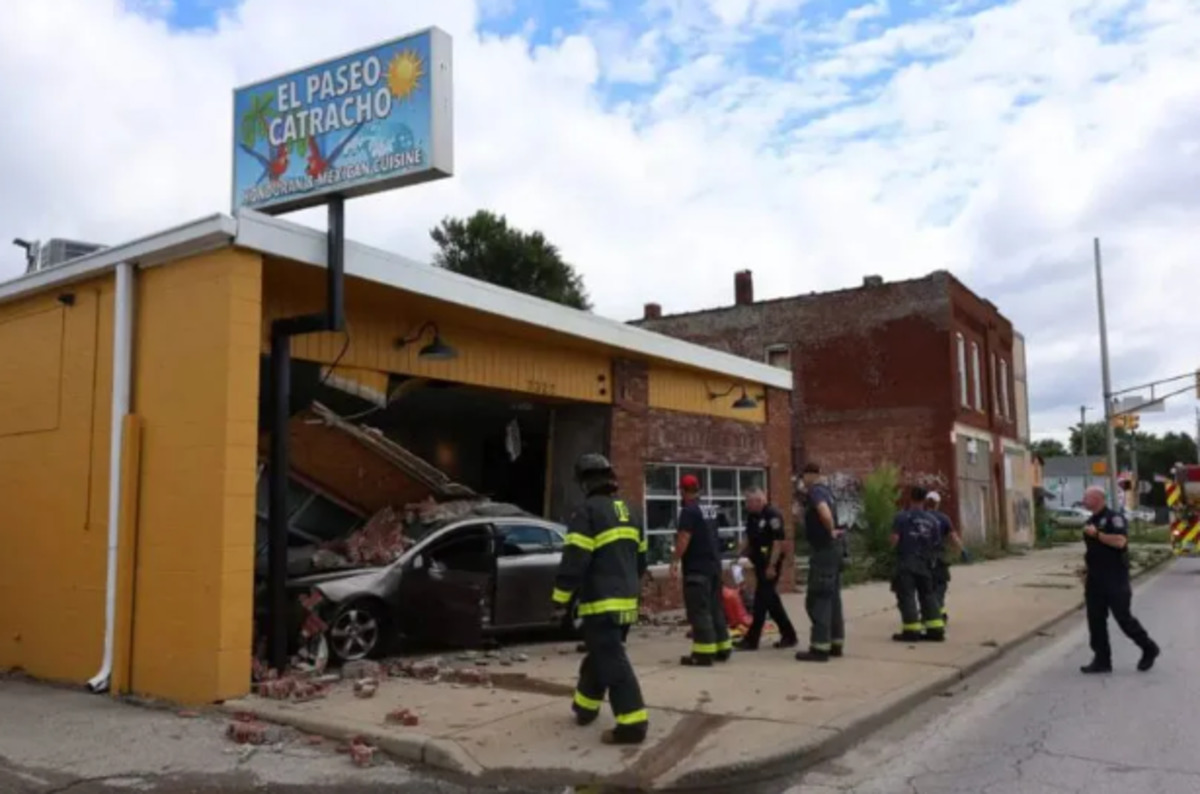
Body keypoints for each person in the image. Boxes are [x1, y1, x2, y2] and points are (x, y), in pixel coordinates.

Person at [551, 453, 649, 744]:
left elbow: (575, 560)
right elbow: (641, 561)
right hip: (627, 602)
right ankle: (585, 707)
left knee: (612, 660)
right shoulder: (632, 511)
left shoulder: (587, 512)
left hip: (601, 602)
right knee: (601, 655)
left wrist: (560, 599)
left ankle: (633, 724)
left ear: (584, 483)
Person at [1079, 486, 1160, 674]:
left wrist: (1097, 535)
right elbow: (1093, 550)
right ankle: (1102, 660)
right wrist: (1086, 570)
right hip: (1095, 579)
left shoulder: (1114, 518)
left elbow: (1120, 542)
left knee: (1123, 619)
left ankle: (1149, 648)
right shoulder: (1091, 520)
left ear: (1098, 498)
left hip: (1115, 578)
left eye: (1087, 497)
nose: (1084, 500)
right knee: (1096, 620)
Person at [670, 474, 732, 666]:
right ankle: (723, 647)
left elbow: (684, 538)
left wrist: (674, 561)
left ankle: (703, 653)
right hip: (713, 567)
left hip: (697, 569)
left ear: (683, 491)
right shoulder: (709, 509)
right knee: (715, 609)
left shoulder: (689, 511)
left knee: (699, 610)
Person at [735, 486, 799, 651]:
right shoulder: (752, 516)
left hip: (771, 564)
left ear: (759, 500)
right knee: (771, 601)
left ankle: (752, 640)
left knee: (760, 602)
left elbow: (778, 542)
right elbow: (749, 538)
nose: (746, 505)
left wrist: (772, 566)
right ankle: (789, 635)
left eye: (749, 501)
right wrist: (737, 554)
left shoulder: (772, 515)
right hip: (759, 563)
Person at [796, 463, 845, 662]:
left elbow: (824, 513)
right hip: (833, 553)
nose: (802, 481)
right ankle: (835, 642)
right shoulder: (828, 491)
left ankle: (819, 648)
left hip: (824, 551)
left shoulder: (815, 492)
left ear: (810, 475)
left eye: (803, 477)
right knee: (832, 598)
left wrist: (829, 530)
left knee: (818, 599)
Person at [891, 487, 944, 643]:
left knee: (907, 596)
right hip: (925, 563)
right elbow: (936, 542)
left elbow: (894, 539)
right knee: (928, 595)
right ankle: (936, 629)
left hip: (906, 562)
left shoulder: (901, 517)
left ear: (911, 497)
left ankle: (911, 631)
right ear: (924, 500)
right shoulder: (933, 520)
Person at [924, 491, 964, 625]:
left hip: (922, 558)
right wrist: (962, 550)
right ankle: (938, 612)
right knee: (940, 585)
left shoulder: (921, 517)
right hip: (939, 557)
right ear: (937, 504)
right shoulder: (943, 518)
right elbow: (953, 537)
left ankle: (927, 612)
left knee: (926, 586)